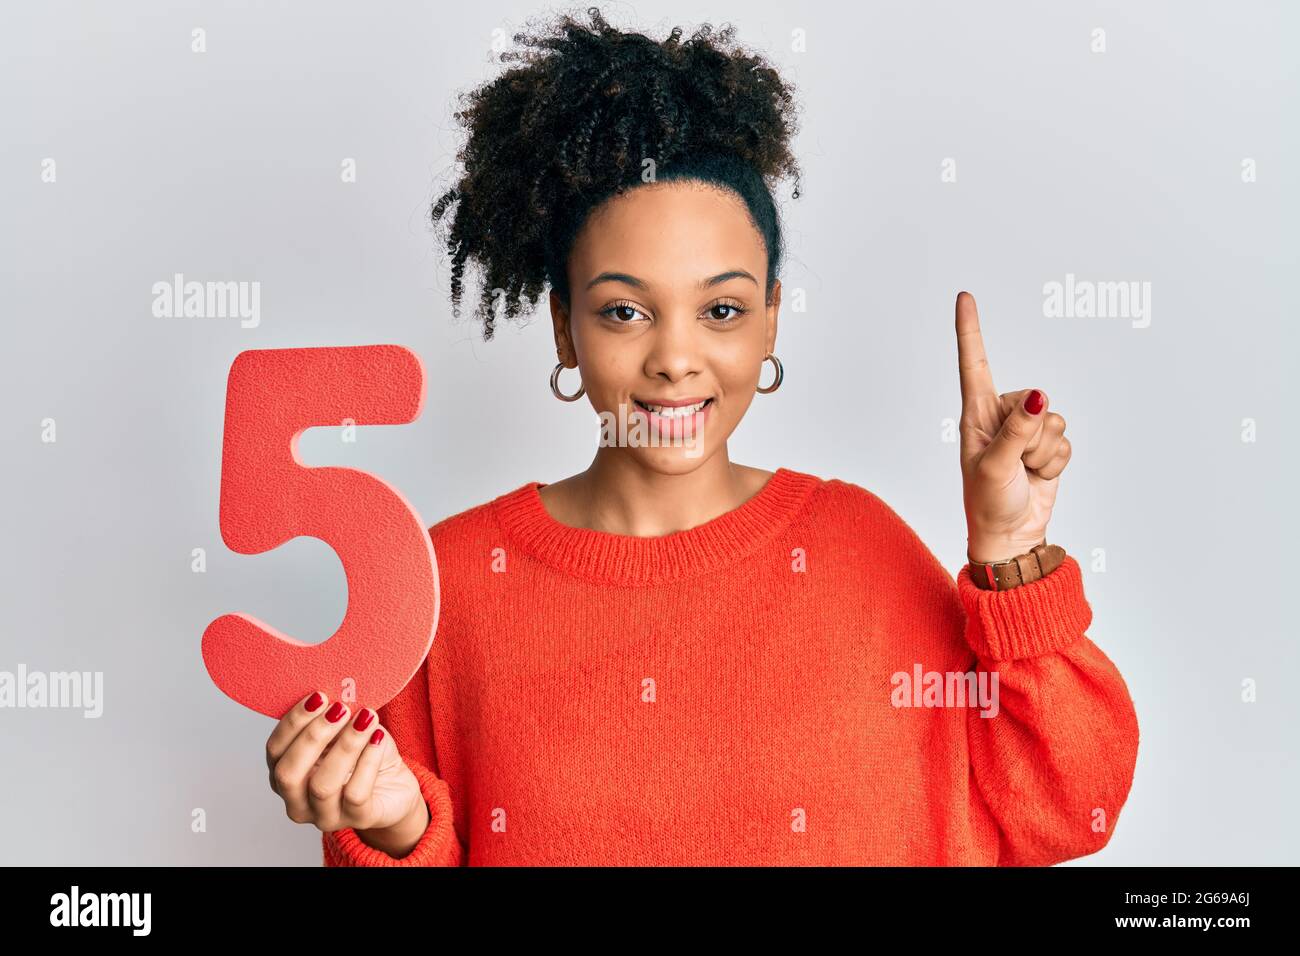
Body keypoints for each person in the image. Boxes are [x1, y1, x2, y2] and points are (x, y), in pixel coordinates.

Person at [264, 7, 1139, 866]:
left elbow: (1068, 811)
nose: (675, 359)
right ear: (565, 330)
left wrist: (1013, 553)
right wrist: (393, 831)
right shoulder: (446, 589)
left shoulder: (857, 545)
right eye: (623, 311)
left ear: (769, 324)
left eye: (721, 309)